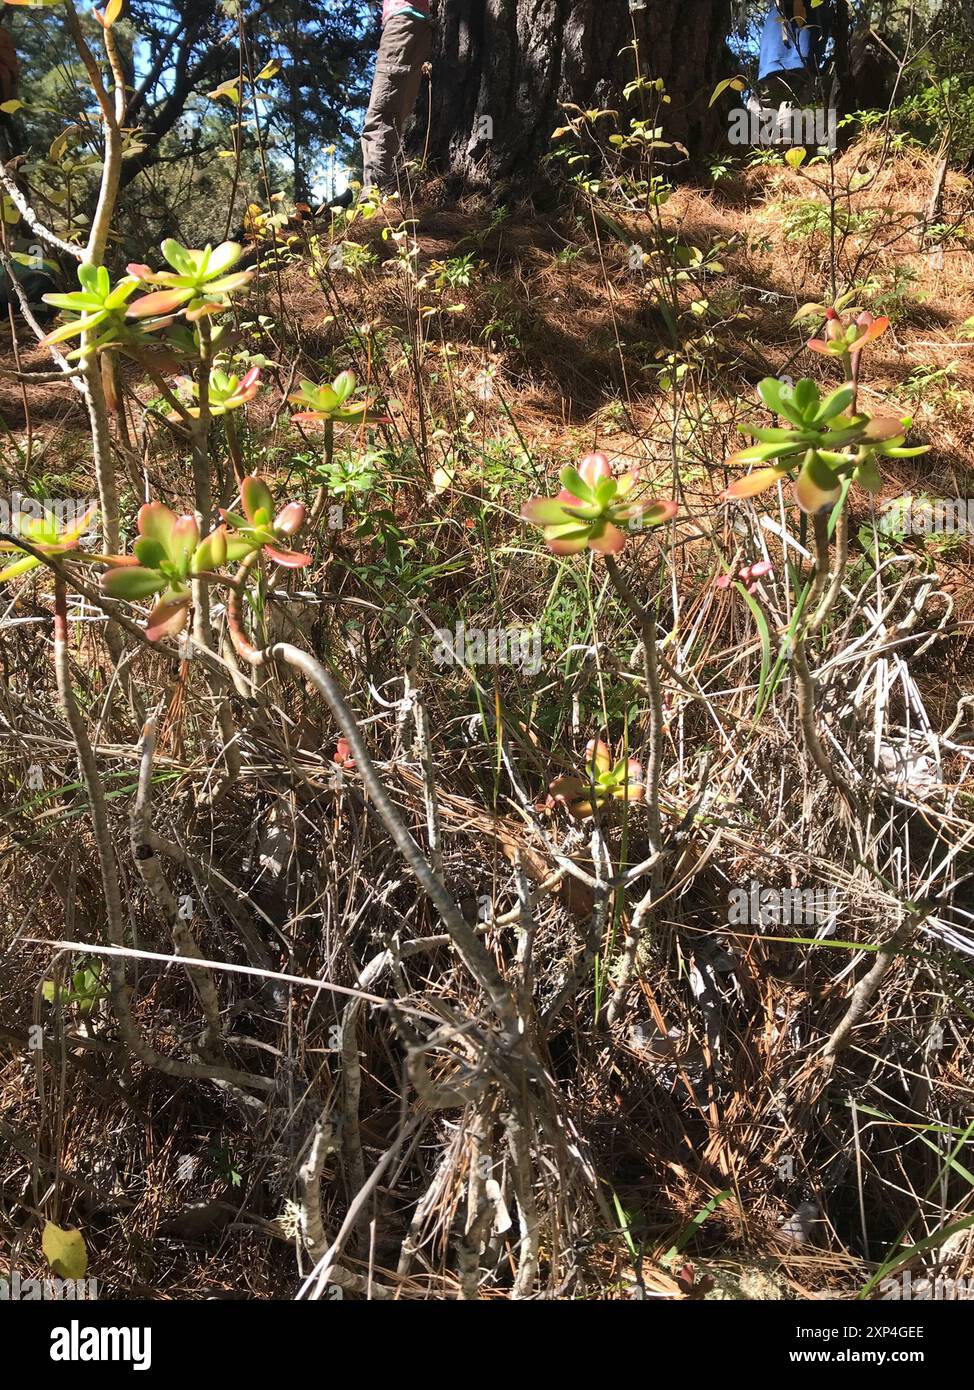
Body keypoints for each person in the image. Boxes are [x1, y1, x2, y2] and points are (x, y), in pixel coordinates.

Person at [327, 1, 431, 209]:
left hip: (402, 22)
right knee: (393, 113)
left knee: (382, 116)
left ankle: (373, 201)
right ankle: (382, 197)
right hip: (412, 21)